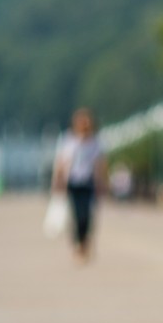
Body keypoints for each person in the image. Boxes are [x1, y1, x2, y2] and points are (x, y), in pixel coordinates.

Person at [51, 110, 107, 262]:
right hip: (74, 182)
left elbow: (100, 163)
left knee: (87, 215)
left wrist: (102, 182)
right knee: (77, 215)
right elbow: (61, 162)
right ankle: (78, 244)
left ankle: (85, 242)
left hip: (88, 182)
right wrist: (58, 180)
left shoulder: (95, 142)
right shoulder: (69, 140)